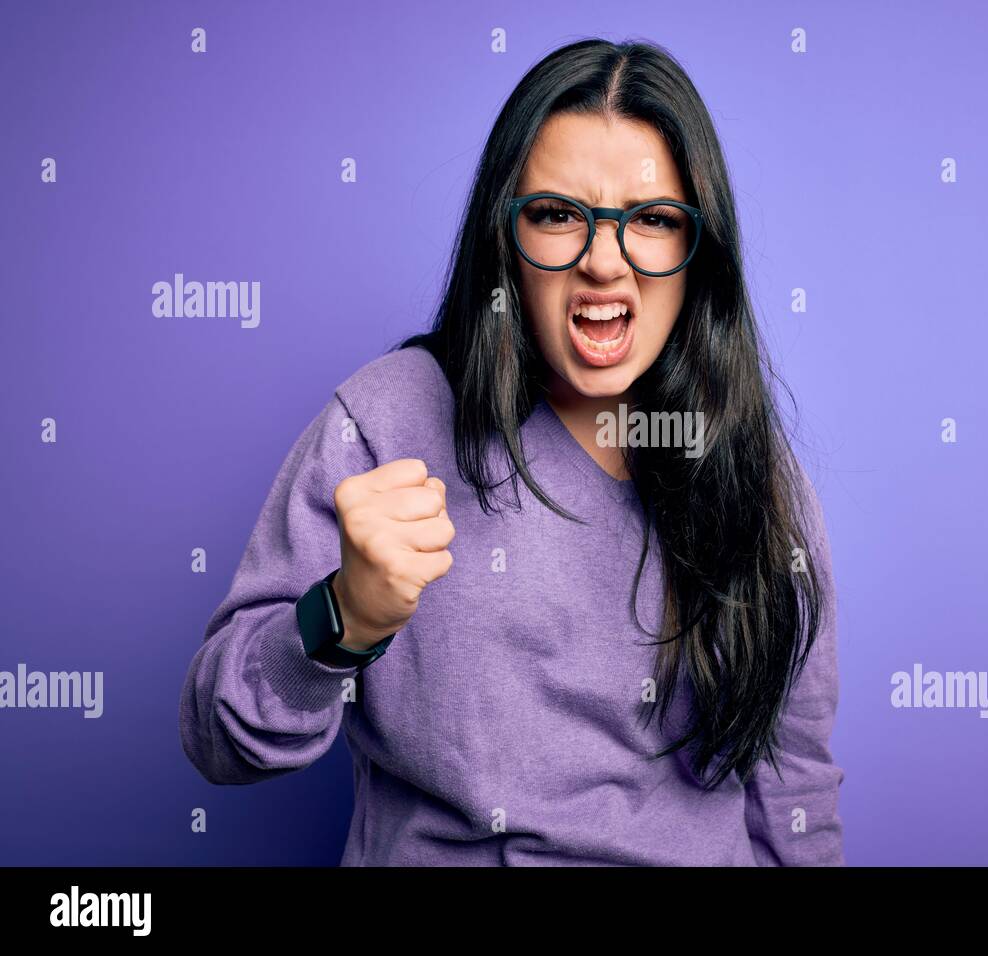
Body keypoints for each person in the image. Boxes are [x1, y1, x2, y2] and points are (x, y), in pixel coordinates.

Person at [179, 37, 845, 866]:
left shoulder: (750, 465)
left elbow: (792, 786)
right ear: (506, 238)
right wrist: (343, 616)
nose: (605, 262)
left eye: (653, 221)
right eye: (559, 214)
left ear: (695, 255)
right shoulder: (388, 420)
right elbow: (218, 738)